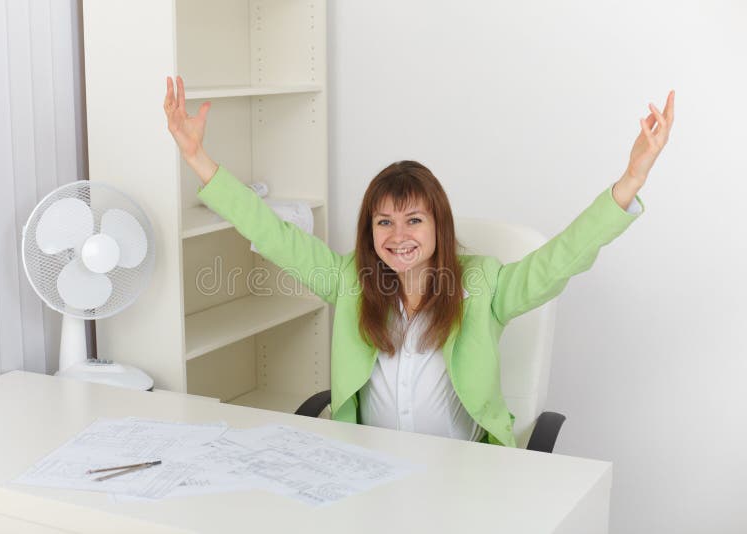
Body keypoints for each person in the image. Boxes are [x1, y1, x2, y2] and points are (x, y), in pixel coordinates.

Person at [164, 76, 674, 446]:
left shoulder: (485, 284)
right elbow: (273, 235)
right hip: (370, 467)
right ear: (369, 232)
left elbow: (562, 258)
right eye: (383, 222)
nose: (398, 235)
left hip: (463, 473)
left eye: (414, 220)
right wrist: (197, 159)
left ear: (439, 227)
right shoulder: (348, 281)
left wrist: (630, 180)